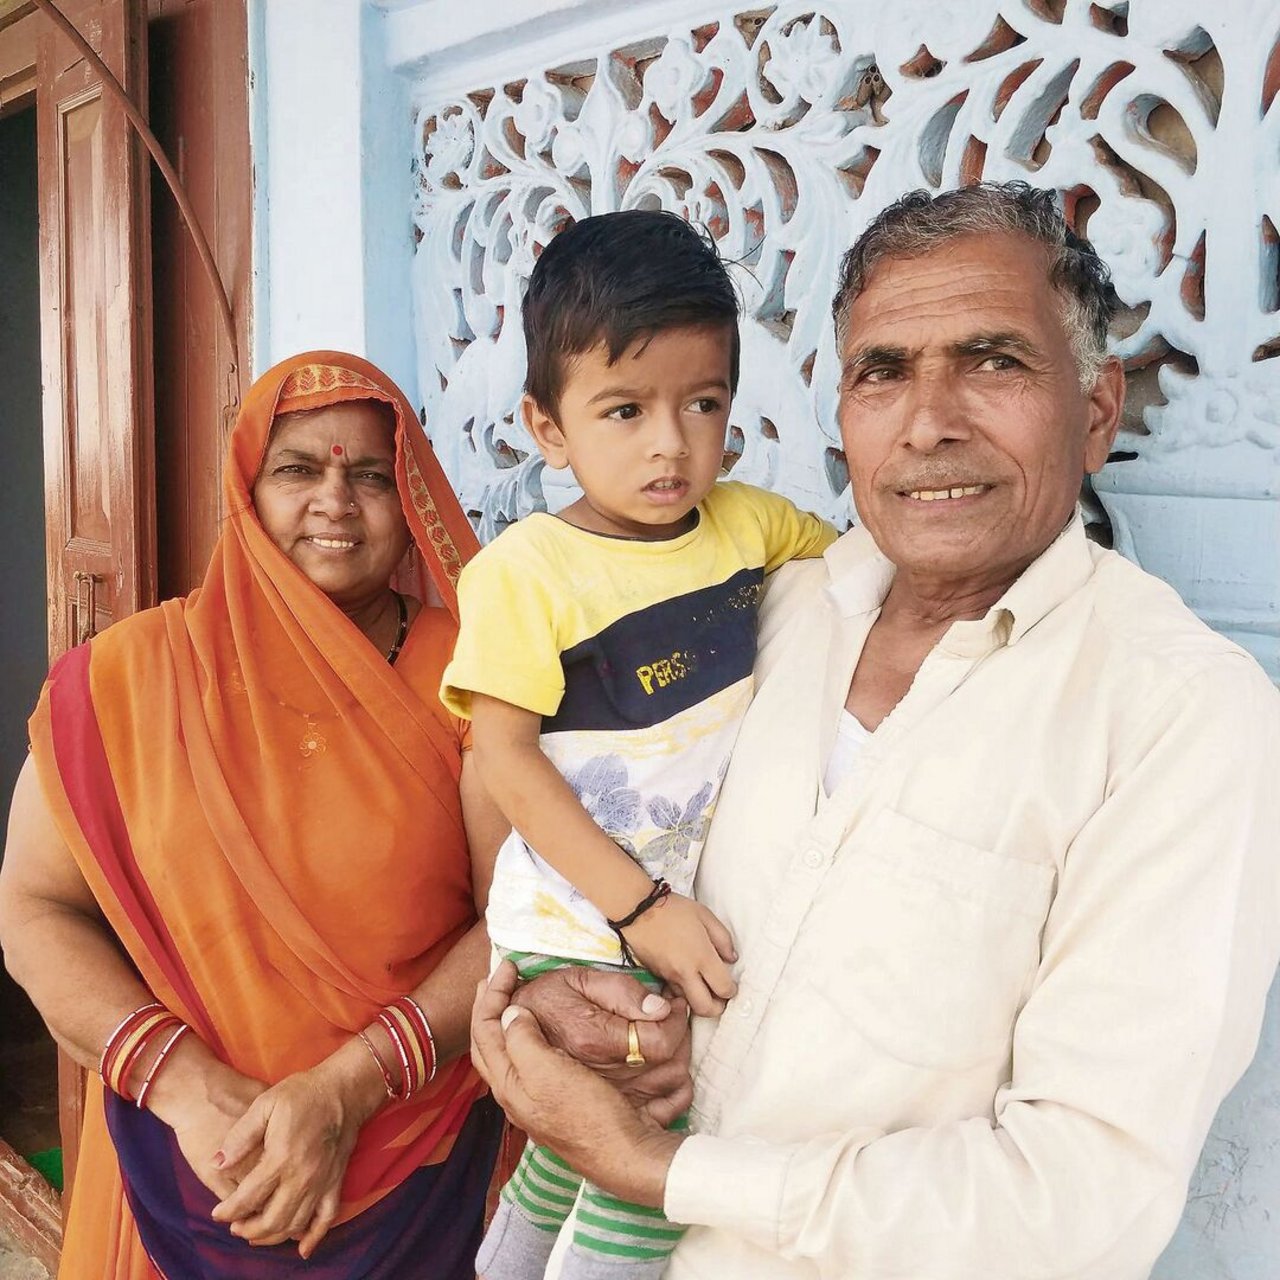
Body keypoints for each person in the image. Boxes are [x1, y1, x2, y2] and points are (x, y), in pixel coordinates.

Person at [470, 183, 1280, 1280]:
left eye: (993, 360)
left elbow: (1081, 1194)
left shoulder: (1176, 710)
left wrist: (661, 1170)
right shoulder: (769, 608)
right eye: (882, 371)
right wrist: (554, 1003)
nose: (928, 419)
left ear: (1094, 411)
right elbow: (570, 792)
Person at [0, 352, 513, 1278]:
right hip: (184, 1169)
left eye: (369, 474)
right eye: (297, 469)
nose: (335, 500)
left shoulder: (481, 677)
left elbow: (518, 921)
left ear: (411, 496)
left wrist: (347, 1091)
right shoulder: (124, 681)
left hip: (420, 1163)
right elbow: (35, 911)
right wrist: (189, 1091)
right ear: (245, 489)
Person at [439, 210, 836, 1280]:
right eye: (624, 409)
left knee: (566, 1160)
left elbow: (861, 578)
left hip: (660, 907)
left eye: (701, 403)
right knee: (644, 1162)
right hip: (584, 914)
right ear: (547, 424)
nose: (670, 442)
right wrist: (639, 908)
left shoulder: (749, 526)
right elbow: (503, 758)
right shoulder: (526, 574)